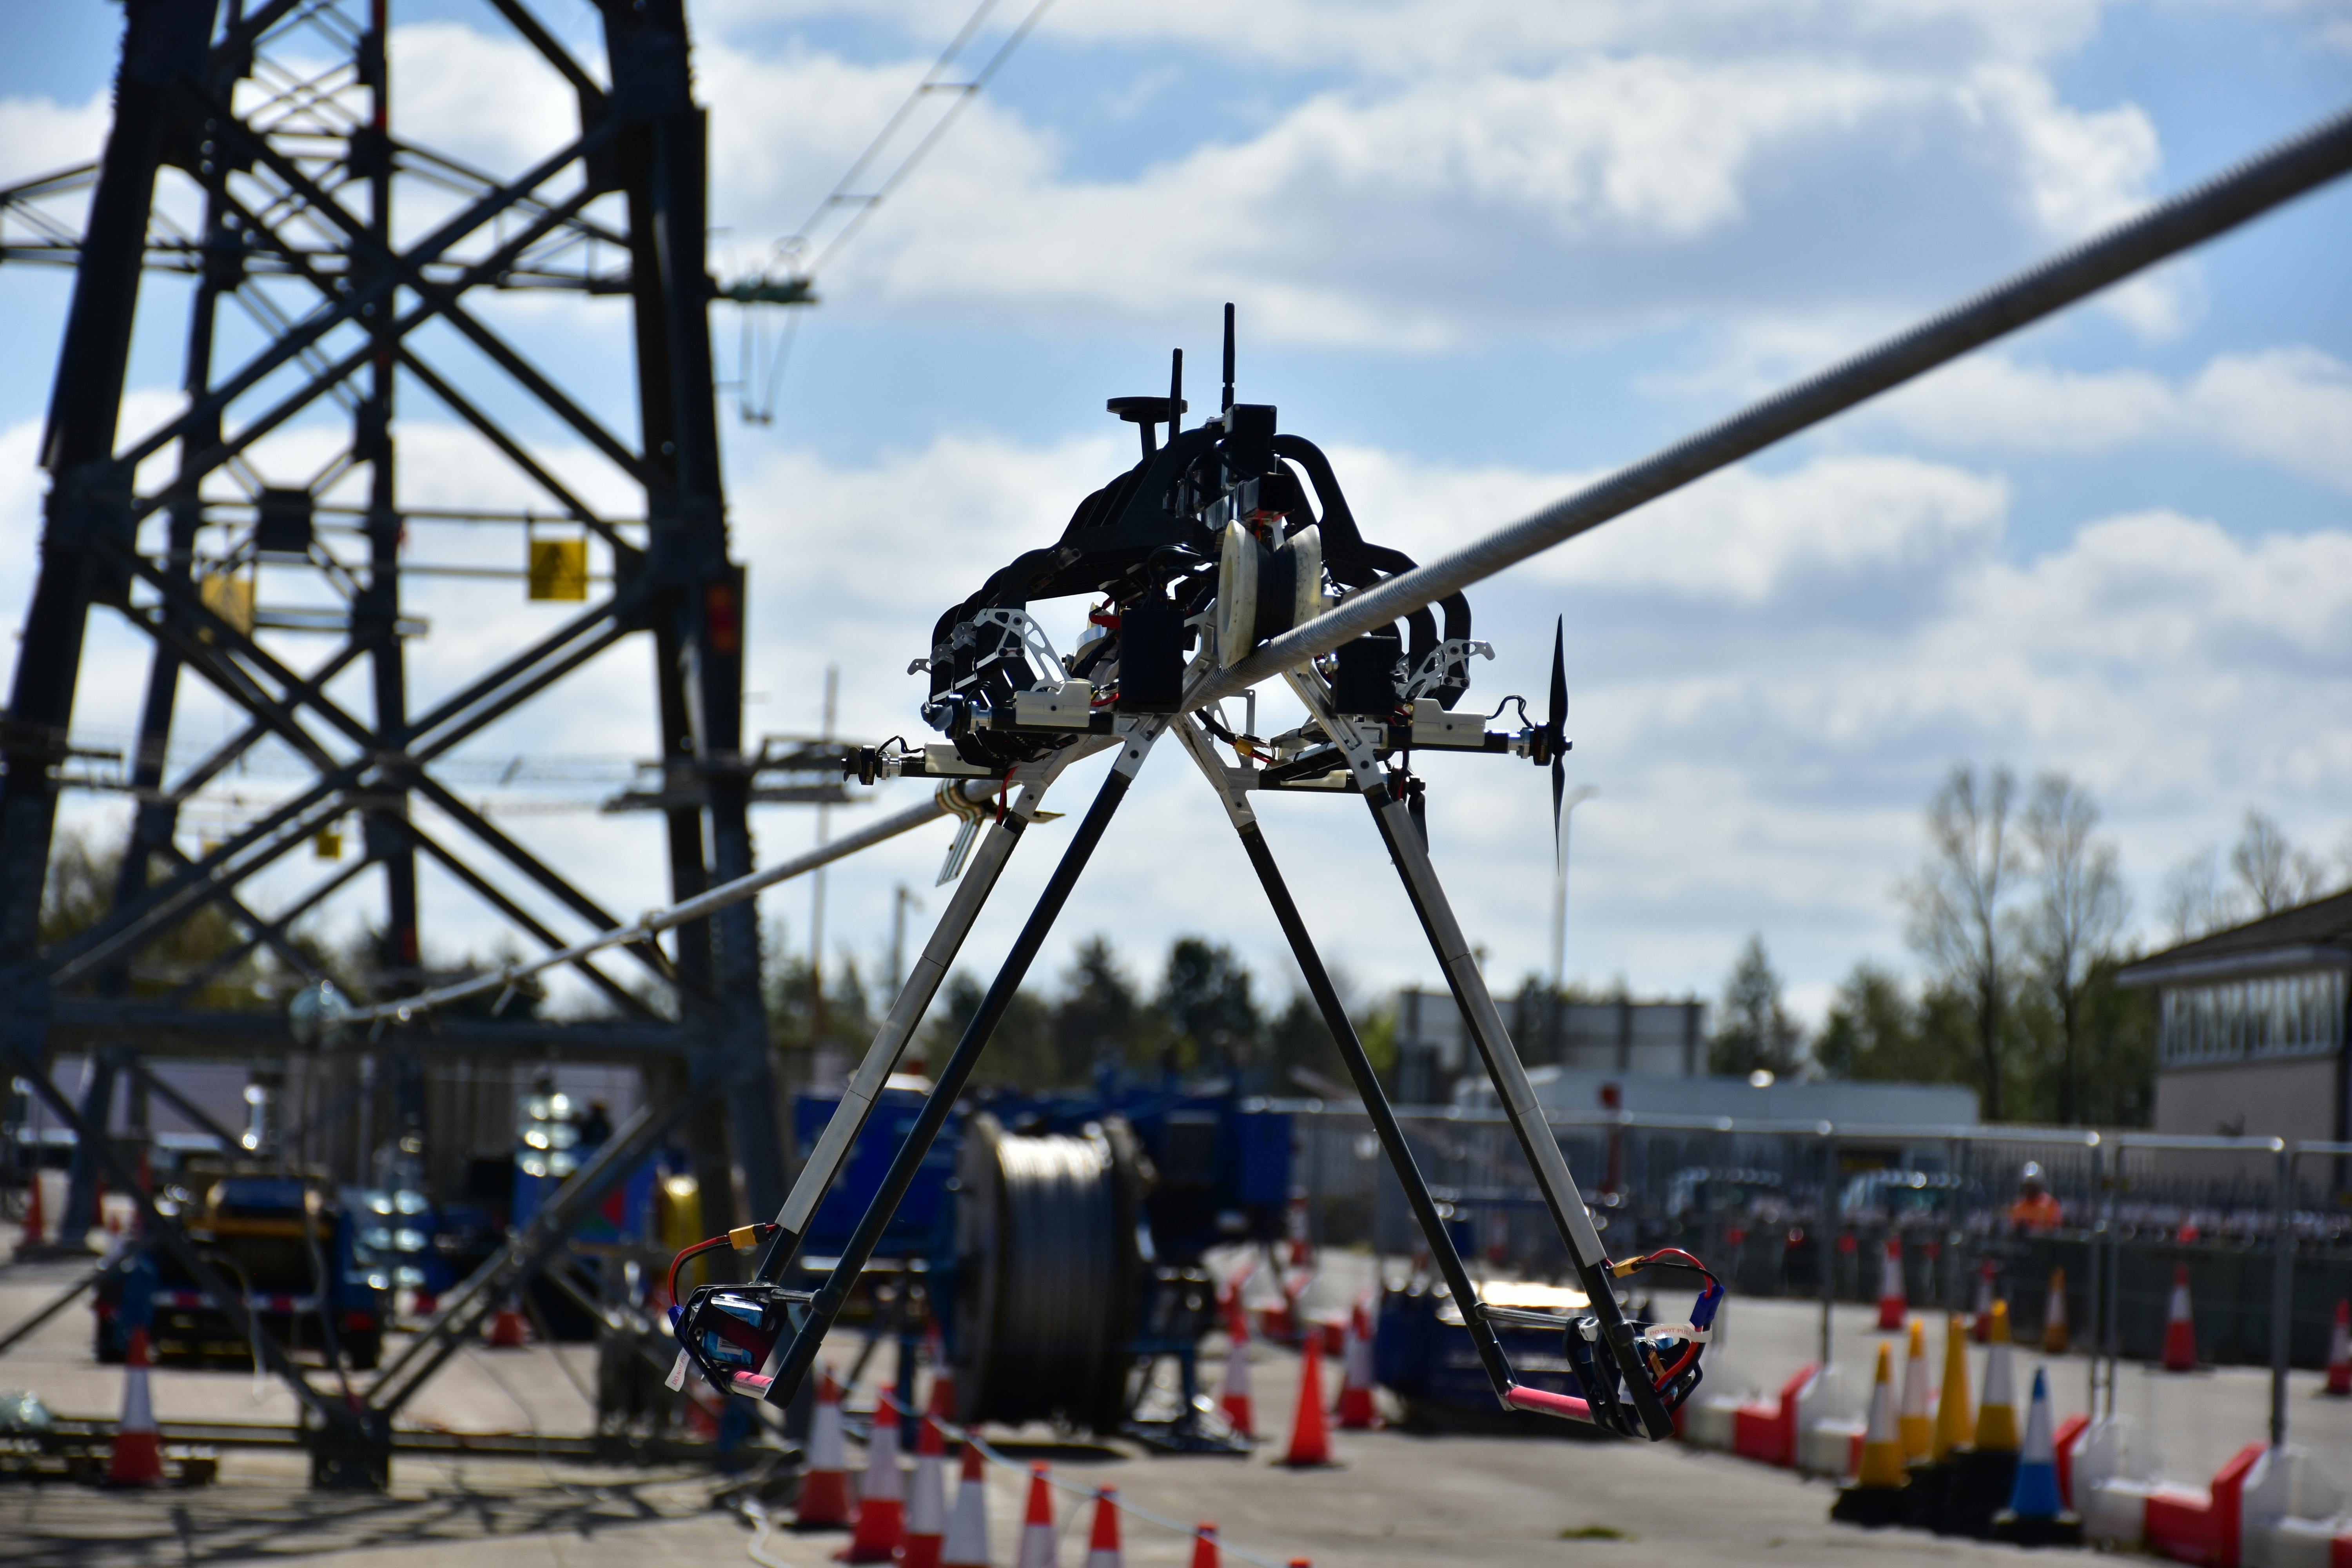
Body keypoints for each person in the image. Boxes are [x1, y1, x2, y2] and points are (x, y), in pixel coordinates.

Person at [2007, 1162, 2063, 1231]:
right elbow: (2013, 1226)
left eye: (2032, 1186)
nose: (2029, 1189)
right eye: (2028, 1186)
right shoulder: (2018, 1205)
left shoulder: (2050, 1205)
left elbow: (2054, 1228)